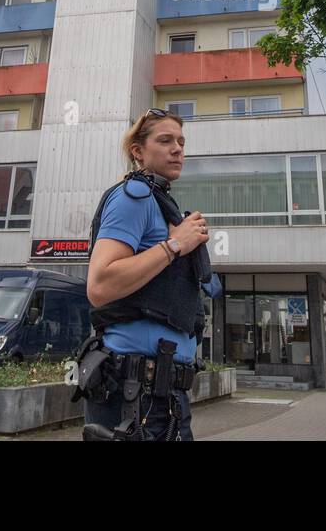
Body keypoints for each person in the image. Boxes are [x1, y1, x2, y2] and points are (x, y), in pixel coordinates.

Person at [76, 108, 221, 441]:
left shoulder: (160, 204)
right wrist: (174, 245)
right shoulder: (133, 198)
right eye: (165, 140)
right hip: (133, 395)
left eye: (181, 142)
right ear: (137, 151)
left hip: (165, 395)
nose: (177, 149)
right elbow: (100, 285)